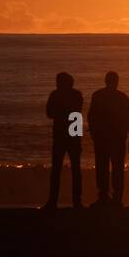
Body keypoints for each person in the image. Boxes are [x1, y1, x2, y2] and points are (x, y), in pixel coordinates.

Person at [88, 71, 129, 207]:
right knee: (117, 168)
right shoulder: (123, 97)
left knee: (102, 167)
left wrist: (94, 133)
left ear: (106, 81)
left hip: (102, 138)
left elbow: (91, 117)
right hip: (117, 139)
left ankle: (103, 196)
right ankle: (117, 198)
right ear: (116, 82)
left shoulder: (98, 96)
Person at [43, 72, 83, 210]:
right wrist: (77, 136)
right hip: (71, 135)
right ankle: (76, 202)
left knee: (57, 170)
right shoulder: (76, 95)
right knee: (75, 170)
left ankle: (53, 201)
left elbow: (49, 113)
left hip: (60, 135)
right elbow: (77, 115)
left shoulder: (55, 95)